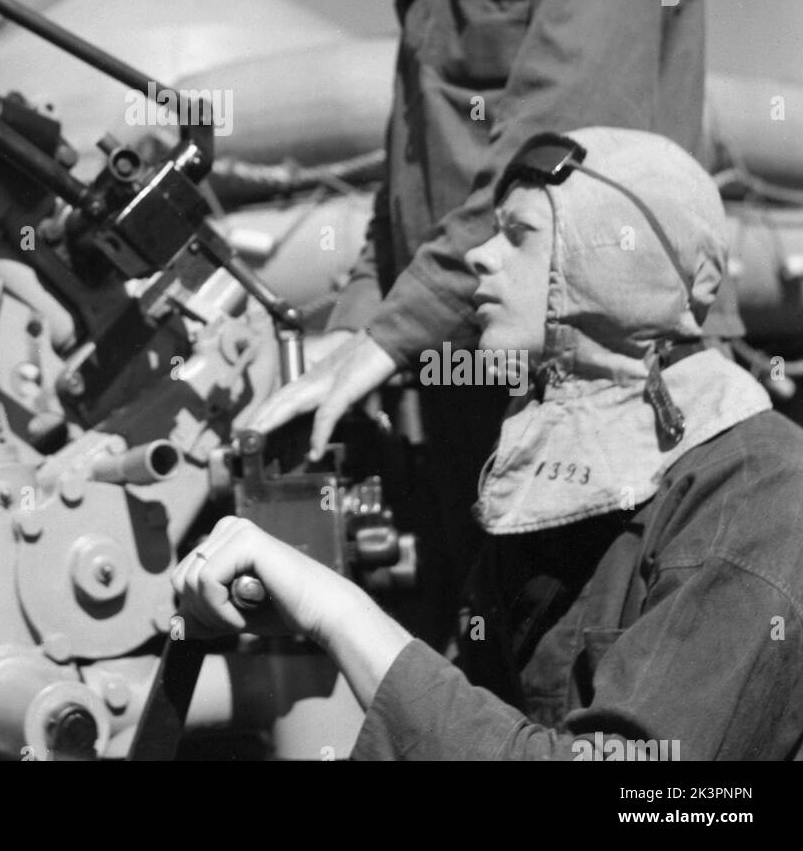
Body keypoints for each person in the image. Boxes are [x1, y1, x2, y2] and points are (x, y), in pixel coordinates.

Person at [249, 0, 738, 624]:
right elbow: (409, 182)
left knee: (567, 681)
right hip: (462, 376)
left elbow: (563, 143)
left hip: (588, 377)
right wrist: (351, 343)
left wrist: (391, 339)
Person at [177, 129, 803, 760]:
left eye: (521, 234)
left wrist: (337, 613)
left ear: (618, 259)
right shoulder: (540, 473)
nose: (481, 256)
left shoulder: (758, 488)